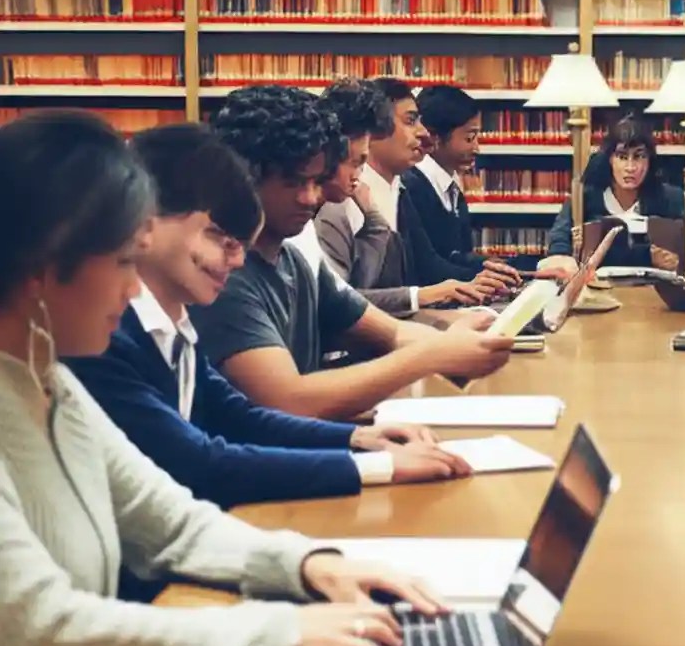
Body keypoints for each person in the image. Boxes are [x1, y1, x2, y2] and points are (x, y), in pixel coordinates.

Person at [0, 110, 448, 646]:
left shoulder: (52, 381)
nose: (135, 284)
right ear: (42, 266)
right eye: (120, 262)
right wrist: (279, 630)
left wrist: (311, 564)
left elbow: (166, 520)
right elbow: (43, 629)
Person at [65, 122, 472, 515]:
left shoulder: (174, 323)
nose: (238, 259)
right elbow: (199, 462)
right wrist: (372, 465)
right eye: (219, 239)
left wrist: (358, 438)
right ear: (146, 224)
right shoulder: (101, 339)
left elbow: (237, 417)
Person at [190, 85, 514, 421]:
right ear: (245, 177)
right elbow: (290, 400)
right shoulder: (226, 278)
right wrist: (432, 355)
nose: (309, 197)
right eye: (293, 182)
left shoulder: (296, 262)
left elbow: (393, 332)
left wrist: (453, 343)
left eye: (316, 181)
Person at [309, 78, 490, 315]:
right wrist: (420, 298)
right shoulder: (339, 200)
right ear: (376, 131)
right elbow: (334, 302)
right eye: (410, 120)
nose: (424, 133)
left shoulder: (398, 190)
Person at [402, 84, 530, 283]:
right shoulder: (411, 188)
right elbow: (426, 267)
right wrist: (484, 276)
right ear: (434, 137)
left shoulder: (452, 186)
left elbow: (460, 255)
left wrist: (506, 267)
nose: (477, 148)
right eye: (469, 138)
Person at [541, 114, 685, 275]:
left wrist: (676, 260)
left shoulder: (670, 199)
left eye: (639, 156)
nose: (631, 167)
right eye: (622, 157)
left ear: (650, 160)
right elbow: (558, 243)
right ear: (610, 159)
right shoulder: (585, 197)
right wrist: (566, 262)